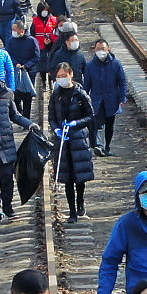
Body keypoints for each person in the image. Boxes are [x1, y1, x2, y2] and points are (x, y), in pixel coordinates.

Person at [0, 66, 36, 221]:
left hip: (6, 144)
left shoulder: (7, 94)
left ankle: (8, 207)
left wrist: (29, 124)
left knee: (7, 178)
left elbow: (15, 115)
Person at [47, 62, 96, 224]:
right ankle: (72, 211)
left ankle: (80, 203)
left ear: (71, 74)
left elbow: (90, 116)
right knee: (67, 178)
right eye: (58, 76)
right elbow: (52, 117)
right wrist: (57, 130)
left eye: (63, 75)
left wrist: (76, 124)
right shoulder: (56, 95)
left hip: (79, 140)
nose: (61, 79)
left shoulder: (80, 94)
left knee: (79, 178)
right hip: (63, 141)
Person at [82, 39, 128, 155]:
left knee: (109, 126)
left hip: (111, 100)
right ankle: (98, 146)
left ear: (108, 49)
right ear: (94, 50)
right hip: (96, 100)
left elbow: (122, 81)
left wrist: (122, 98)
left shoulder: (116, 64)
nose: (100, 51)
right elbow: (86, 85)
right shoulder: (90, 66)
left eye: (103, 49)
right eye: (98, 49)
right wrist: (83, 100)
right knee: (97, 124)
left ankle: (107, 147)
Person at [5, 21, 39, 119]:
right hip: (15, 71)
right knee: (16, 95)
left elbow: (36, 57)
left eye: (15, 30)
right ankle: (19, 116)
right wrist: (16, 64)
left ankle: (26, 118)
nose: (13, 32)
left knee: (27, 97)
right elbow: (8, 54)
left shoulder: (32, 41)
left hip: (29, 72)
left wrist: (26, 65)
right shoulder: (11, 41)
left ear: (22, 30)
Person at [31, 1, 59, 91]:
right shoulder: (35, 20)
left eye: (46, 10)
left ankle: (51, 81)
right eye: (43, 10)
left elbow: (56, 32)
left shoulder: (53, 20)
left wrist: (51, 39)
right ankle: (43, 83)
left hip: (52, 46)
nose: (44, 12)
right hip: (40, 47)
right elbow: (32, 33)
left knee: (51, 65)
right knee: (42, 66)